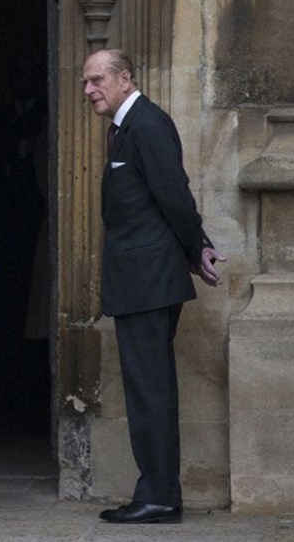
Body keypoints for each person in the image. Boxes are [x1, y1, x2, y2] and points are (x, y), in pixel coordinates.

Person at [82, 48, 225, 524]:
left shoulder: (146, 124)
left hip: (148, 282)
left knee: (151, 391)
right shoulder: (128, 126)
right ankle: (159, 492)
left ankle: (159, 496)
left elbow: (174, 195)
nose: (89, 90)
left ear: (125, 79)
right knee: (149, 390)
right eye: (86, 82)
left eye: (97, 80)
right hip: (141, 280)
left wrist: (195, 247)